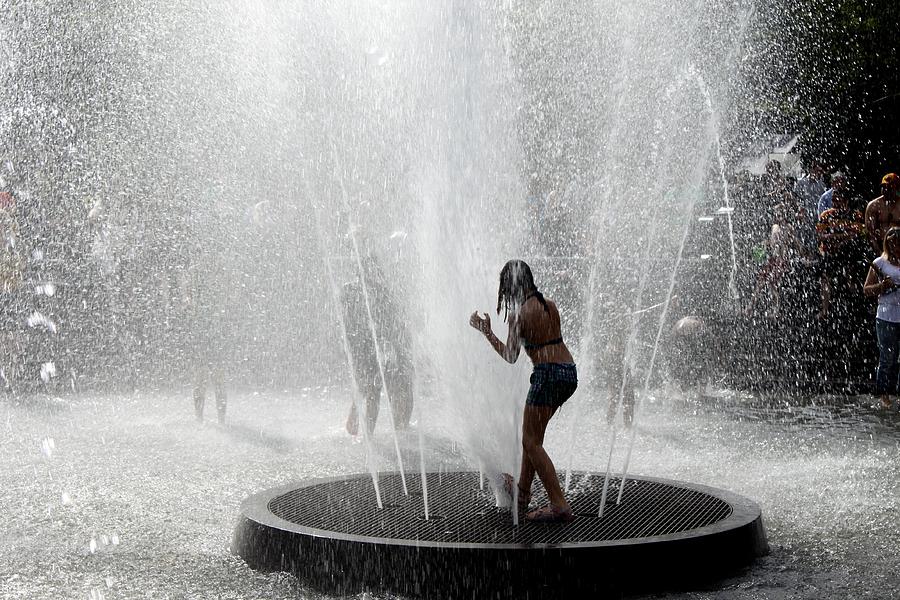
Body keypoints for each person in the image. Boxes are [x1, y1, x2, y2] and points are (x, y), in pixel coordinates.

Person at [469, 260, 577, 523]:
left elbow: (510, 355)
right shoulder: (549, 305)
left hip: (547, 376)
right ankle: (523, 494)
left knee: (530, 441)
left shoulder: (519, 315)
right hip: (568, 373)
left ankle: (559, 504)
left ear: (510, 286)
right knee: (533, 437)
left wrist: (487, 333)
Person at [343, 256, 414, 436]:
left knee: (368, 387)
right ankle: (366, 433)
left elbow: (390, 321)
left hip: (366, 346)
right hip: (365, 345)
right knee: (371, 389)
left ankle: (361, 429)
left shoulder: (351, 290)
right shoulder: (371, 291)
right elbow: (390, 322)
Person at [816, 187, 867, 320]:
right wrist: (842, 236)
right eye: (833, 199)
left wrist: (841, 239)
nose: (834, 202)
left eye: (837, 199)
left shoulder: (855, 215)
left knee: (852, 272)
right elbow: (821, 236)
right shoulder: (826, 215)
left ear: (845, 201)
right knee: (825, 278)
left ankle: (857, 306)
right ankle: (825, 309)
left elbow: (860, 234)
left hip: (849, 252)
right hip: (831, 252)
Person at [863, 227, 900, 409]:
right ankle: (884, 395)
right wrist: (882, 286)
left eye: (897, 243)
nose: (894, 247)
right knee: (887, 357)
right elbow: (866, 289)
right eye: (890, 243)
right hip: (886, 316)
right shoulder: (880, 263)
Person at [865, 173, 900, 255]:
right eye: (883, 187)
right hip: (879, 246)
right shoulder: (874, 206)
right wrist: (880, 253)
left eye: (889, 187)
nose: (886, 190)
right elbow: (870, 233)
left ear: (897, 188)